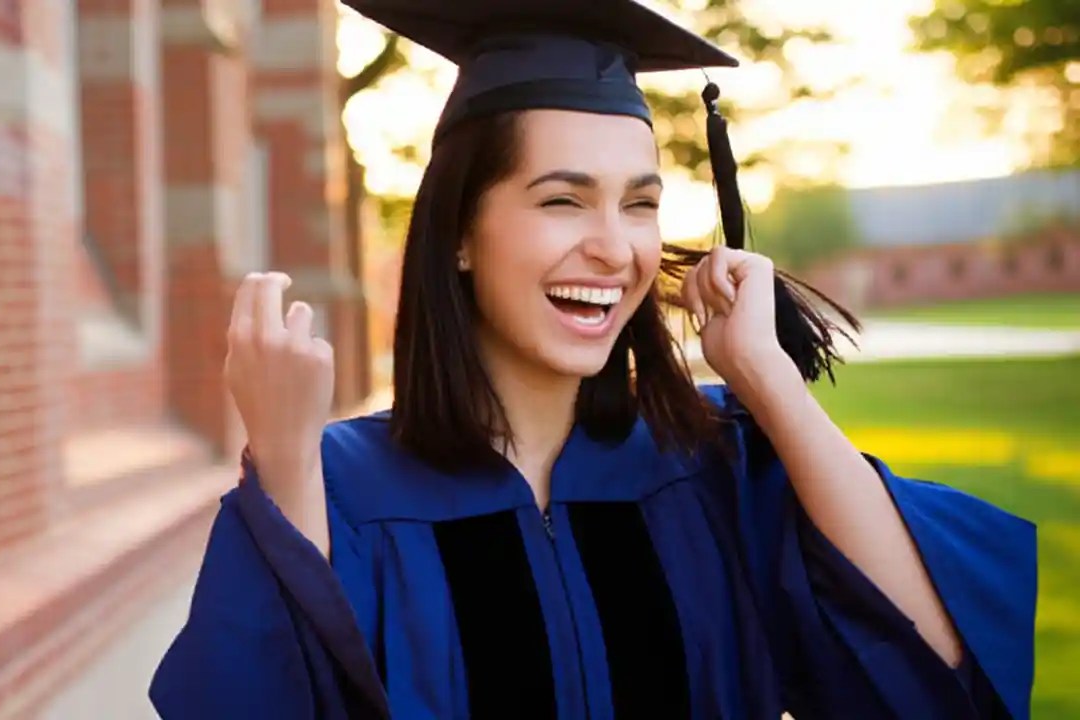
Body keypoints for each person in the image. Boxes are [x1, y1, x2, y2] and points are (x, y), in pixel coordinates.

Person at [149, 0, 1036, 717]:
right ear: (460, 232)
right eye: (563, 201)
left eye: (640, 204)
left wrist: (768, 380)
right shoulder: (345, 485)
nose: (616, 249)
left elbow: (937, 664)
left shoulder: (710, 462)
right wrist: (284, 461)